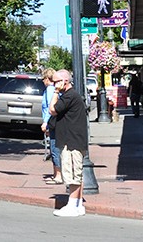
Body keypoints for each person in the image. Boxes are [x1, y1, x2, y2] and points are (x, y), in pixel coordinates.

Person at [49, 69, 89, 217]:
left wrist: (55, 93)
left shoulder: (69, 96)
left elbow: (53, 110)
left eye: (56, 82)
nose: (54, 85)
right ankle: (78, 205)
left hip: (71, 141)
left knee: (71, 173)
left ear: (64, 81)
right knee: (76, 174)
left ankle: (72, 206)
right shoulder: (71, 95)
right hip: (74, 140)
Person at [40, 69, 62, 184]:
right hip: (53, 122)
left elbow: (50, 107)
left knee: (54, 148)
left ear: (47, 79)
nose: (42, 81)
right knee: (53, 148)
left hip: (52, 122)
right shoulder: (51, 90)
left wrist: (45, 123)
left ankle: (58, 175)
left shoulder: (49, 90)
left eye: (43, 79)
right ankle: (56, 174)